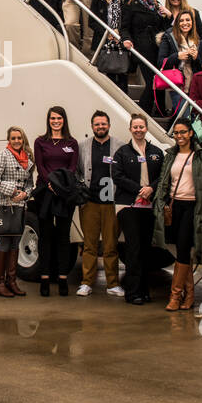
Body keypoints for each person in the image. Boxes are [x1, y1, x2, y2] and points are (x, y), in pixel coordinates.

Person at [151, 117, 202, 310]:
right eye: (176, 133)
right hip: (174, 206)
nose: (179, 136)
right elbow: (164, 180)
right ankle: (189, 295)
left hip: (192, 207)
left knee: (183, 248)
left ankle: (175, 296)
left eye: (182, 132)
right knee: (181, 250)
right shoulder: (171, 154)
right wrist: (160, 202)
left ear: (190, 133)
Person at [111, 114, 166, 304]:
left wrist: (151, 189)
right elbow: (117, 176)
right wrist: (139, 190)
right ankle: (132, 293)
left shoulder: (157, 152)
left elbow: (163, 176)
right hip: (128, 205)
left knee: (145, 249)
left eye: (141, 127)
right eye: (135, 127)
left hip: (149, 206)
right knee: (133, 248)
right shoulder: (122, 153)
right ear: (130, 129)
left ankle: (143, 290)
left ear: (146, 128)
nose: (138, 130)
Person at [33, 106, 79, 296]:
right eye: (52, 118)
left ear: (64, 120)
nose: (56, 121)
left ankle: (62, 278)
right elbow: (40, 164)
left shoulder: (72, 142)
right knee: (45, 236)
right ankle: (44, 278)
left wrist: (60, 186)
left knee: (63, 236)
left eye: (59, 118)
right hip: (45, 191)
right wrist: (51, 183)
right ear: (48, 120)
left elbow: (73, 167)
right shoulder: (40, 141)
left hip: (65, 194)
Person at [76, 111, 123, 297]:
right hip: (90, 203)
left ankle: (113, 284)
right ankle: (86, 282)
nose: (100, 127)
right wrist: (82, 189)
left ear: (109, 125)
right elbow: (77, 171)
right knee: (89, 245)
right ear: (92, 126)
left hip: (111, 203)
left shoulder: (119, 146)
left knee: (111, 246)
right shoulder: (83, 146)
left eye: (103, 124)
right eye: (97, 124)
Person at [0, 126, 33, 297]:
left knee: (15, 244)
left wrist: (25, 194)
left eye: (19, 138)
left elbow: (30, 184)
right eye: (13, 138)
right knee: (4, 244)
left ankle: (11, 281)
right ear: (9, 140)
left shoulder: (28, 158)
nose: (16, 141)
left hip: (20, 207)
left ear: (23, 139)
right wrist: (13, 191)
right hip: (5, 206)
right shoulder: (3, 155)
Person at [120, 0, 172, 116]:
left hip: (157, 48)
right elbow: (124, 28)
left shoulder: (155, 5)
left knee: (158, 81)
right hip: (142, 48)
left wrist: (169, 16)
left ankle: (160, 111)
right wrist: (126, 39)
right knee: (152, 82)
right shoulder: (131, 5)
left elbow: (163, 28)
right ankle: (142, 113)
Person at [89, 0, 130, 91]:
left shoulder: (125, 0)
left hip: (119, 44)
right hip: (102, 42)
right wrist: (107, 33)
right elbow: (92, 22)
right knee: (104, 81)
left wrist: (119, 34)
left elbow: (127, 23)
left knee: (122, 80)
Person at [157, 10, 200, 105]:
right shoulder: (168, 37)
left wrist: (197, 57)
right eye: (181, 21)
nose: (185, 23)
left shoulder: (196, 39)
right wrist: (177, 56)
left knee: (193, 117)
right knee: (183, 116)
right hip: (177, 83)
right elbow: (160, 62)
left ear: (192, 22)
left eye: (188, 20)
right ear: (177, 23)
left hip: (194, 85)